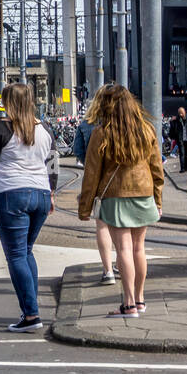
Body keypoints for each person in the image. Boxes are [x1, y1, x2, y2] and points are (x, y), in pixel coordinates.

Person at [0, 83, 59, 333]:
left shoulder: (1, 128)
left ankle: (31, 315)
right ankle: (31, 310)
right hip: (41, 195)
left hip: (11, 195)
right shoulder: (46, 130)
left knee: (17, 255)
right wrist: (51, 193)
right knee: (26, 251)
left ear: (9, 102)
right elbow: (53, 164)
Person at [77, 84, 165, 319]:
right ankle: (141, 299)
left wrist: (85, 207)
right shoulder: (147, 129)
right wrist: (157, 199)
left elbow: (92, 173)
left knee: (124, 249)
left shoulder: (102, 132)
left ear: (107, 106)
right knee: (139, 249)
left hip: (115, 196)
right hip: (143, 193)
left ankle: (128, 305)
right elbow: (157, 169)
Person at [75, 88, 118, 286]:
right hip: (121, 181)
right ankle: (122, 264)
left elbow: (78, 150)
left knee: (102, 224)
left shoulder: (87, 124)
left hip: (99, 180)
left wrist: (91, 163)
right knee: (121, 225)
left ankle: (107, 270)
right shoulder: (124, 123)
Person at [167, 107, 187, 173]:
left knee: (186, 153)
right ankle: (182, 168)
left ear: (184, 113)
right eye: (180, 113)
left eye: (182, 113)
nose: (181, 115)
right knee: (182, 153)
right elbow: (173, 127)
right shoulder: (177, 120)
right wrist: (171, 121)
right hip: (180, 139)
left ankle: (185, 167)